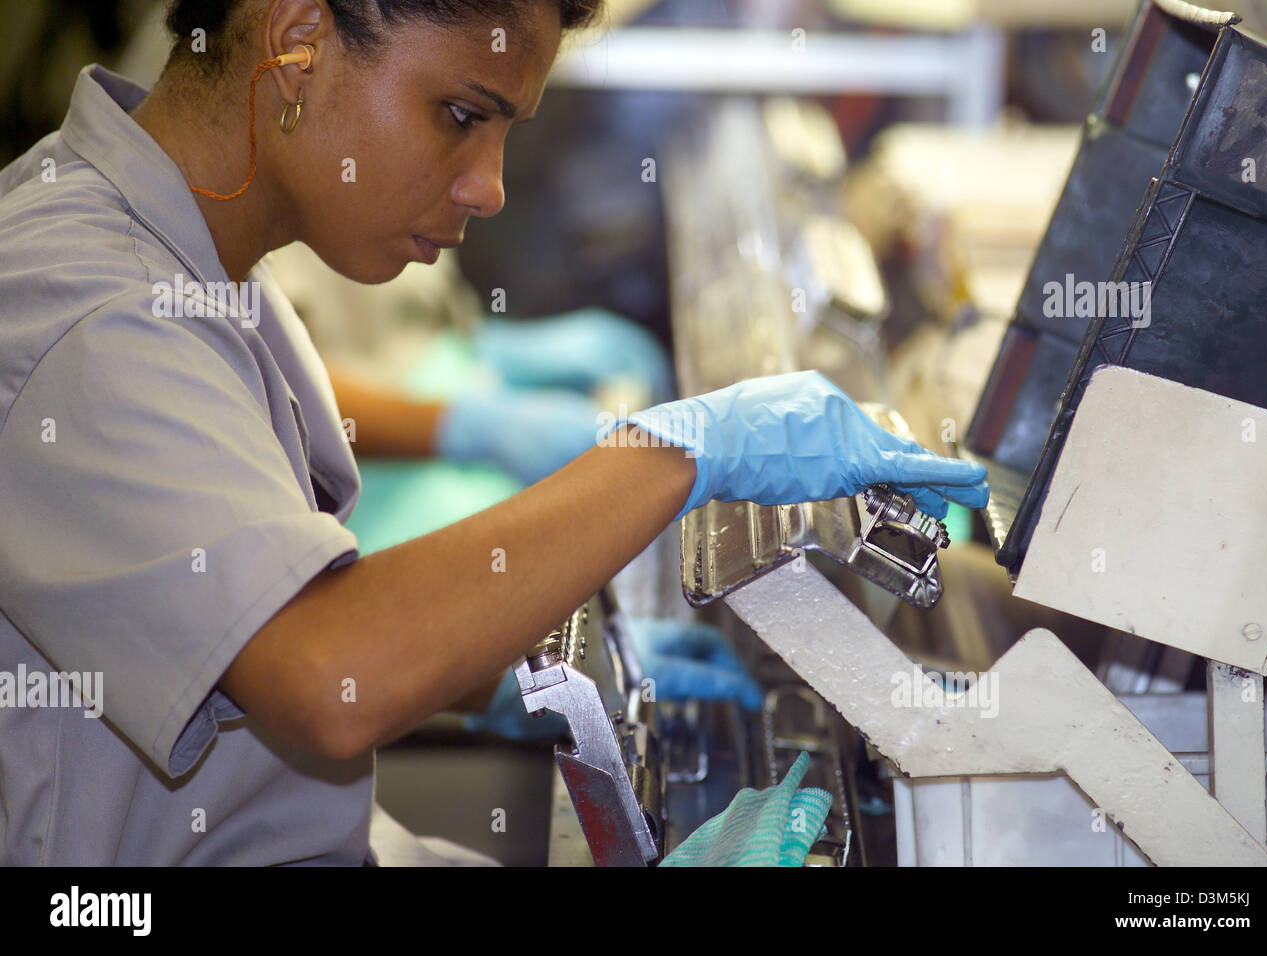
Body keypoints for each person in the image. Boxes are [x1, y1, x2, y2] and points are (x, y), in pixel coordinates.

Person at [0, 0, 988, 865]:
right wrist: (679, 450)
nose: (488, 186)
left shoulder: (197, 259)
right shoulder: (95, 314)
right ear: (298, 39)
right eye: (461, 115)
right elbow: (324, 675)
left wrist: (520, 665)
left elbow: (239, 624)